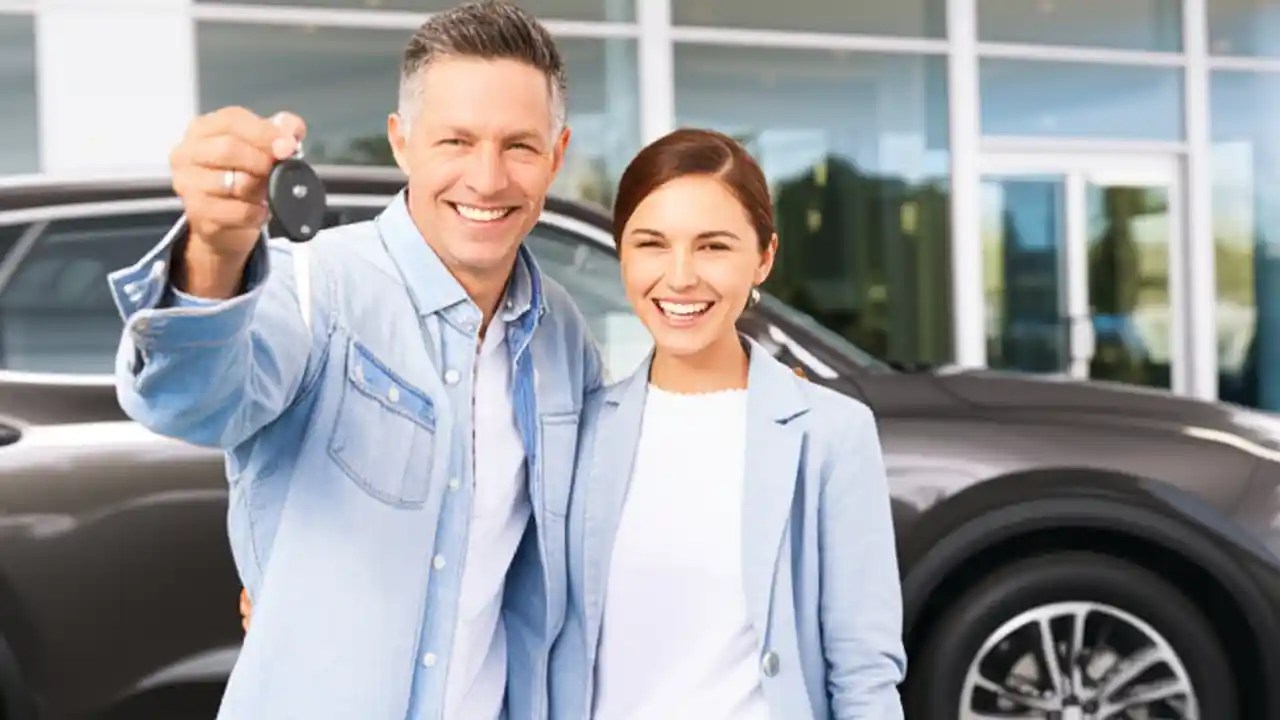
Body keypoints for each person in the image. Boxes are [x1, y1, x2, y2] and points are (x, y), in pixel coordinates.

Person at [106, 2, 602, 718]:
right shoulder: (313, 286)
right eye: (456, 141)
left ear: (556, 157)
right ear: (401, 143)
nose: (488, 179)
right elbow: (188, 397)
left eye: (519, 146)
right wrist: (215, 252)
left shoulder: (564, 335)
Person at [546, 128, 908, 719]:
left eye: (713, 246)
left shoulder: (831, 435)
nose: (681, 276)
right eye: (651, 244)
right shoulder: (579, 431)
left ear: (763, 257)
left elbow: (864, 672)